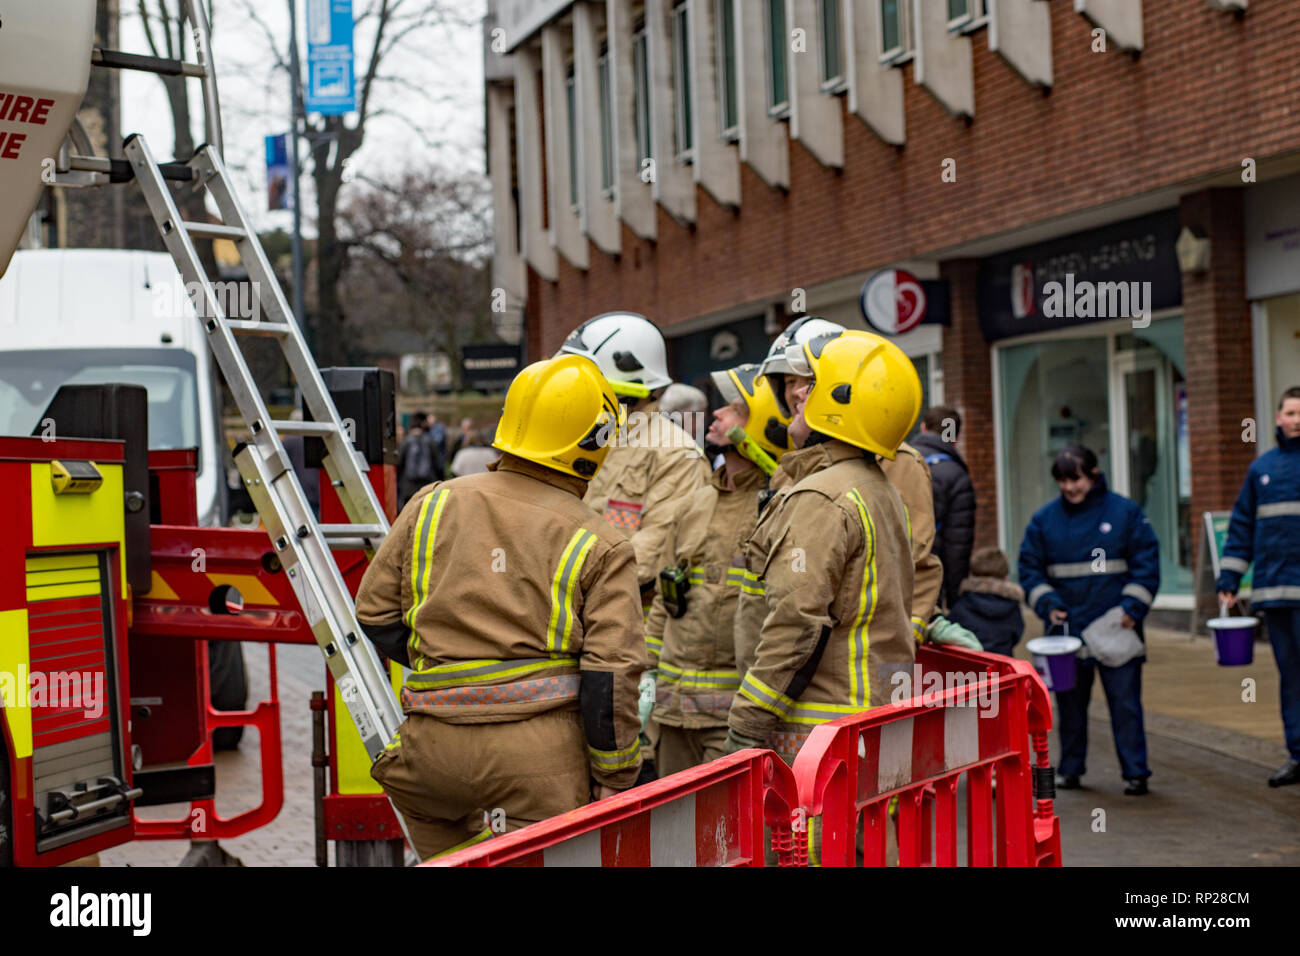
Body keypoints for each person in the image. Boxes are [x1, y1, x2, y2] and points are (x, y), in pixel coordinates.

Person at [355, 354, 646, 860]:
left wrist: (453, 663)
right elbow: (610, 677)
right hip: (540, 764)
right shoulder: (601, 541)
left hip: (431, 755)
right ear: (596, 443)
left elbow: (375, 617)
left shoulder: (431, 503)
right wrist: (615, 778)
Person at [725, 330, 922, 764]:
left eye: (812, 385)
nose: (798, 395)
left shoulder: (821, 497)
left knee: (808, 837)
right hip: (866, 729)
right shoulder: (876, 490)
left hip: (817, 740)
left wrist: (745, 728)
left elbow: (795, 625)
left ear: (839, 403)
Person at [758, 316, 945, 645]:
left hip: (858, 660)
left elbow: (913, 565)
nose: (796, 393)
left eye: (808, 380)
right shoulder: (787, 467)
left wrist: (911, 637)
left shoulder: (896, 461)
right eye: (788, 382)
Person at [644, 364, 790, 775]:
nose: (716, 416)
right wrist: (646, 681)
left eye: (732, 410)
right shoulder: (694, 504)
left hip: (731, 723)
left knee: (724, 836)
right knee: (675, 834)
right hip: (672, 716)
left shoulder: (778, 507)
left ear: (761, 423)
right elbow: (662, 600)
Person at [1018, 443, 1160, 796]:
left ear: (1094, 474)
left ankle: (1135, 773)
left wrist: (1131, 608)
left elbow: (1147, 563)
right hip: (1067, 631)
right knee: (1069, 706)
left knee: (1125, 704)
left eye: (1076, 479)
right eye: (1063, 481)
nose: (1069, 487)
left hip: (1116, 625)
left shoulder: (1125, 513)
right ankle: (1071, 769)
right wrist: (1047, 602)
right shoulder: (1044, 520)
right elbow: (1029, 569)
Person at [1217, 386, 1300, 788]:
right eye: (1289, 412)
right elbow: (1242, 527)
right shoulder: (1261, 469)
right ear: (1278, 418)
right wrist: (1229, 578)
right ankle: (1298, 754)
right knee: (1291, 677)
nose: (1296, 419)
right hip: (1275, 592)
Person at [913, 405, 976, 610]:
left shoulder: (896, 461)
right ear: (955, 438)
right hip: (930, 579)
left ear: (923, 428)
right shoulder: (956, 475)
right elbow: (957, 543)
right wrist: (954, 593)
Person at [947, 547, 1025, 658]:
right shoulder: (1012, 606)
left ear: (972, 574)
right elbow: (1017, 634)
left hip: (968, 668)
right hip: (1003, 667)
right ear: (1006, 576)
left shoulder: (961, 605)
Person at [396, 413, 438, 508]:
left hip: (408, 485)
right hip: (428, 485)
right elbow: (438, 464)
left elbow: (399, 463)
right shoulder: (430, 441)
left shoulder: (406, 441)